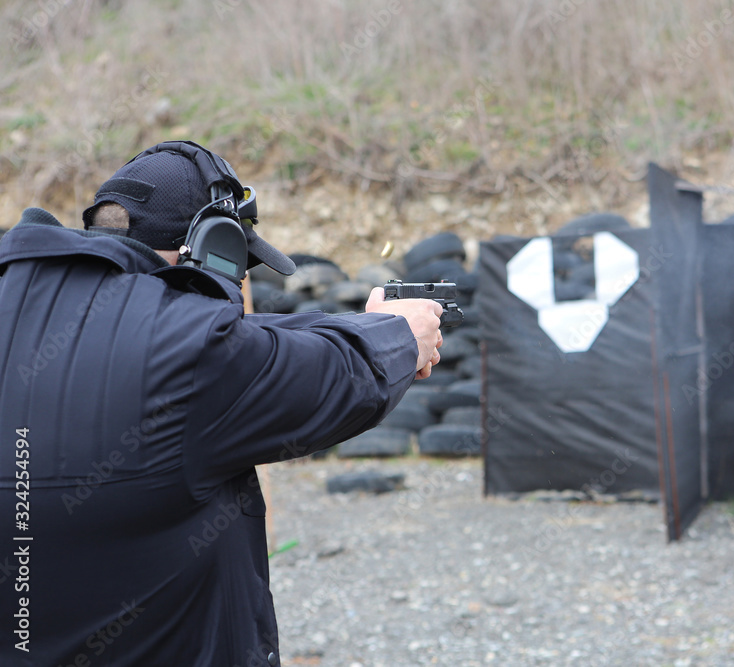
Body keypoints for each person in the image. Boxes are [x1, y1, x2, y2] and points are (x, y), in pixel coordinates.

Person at [0, 141, 443, 666]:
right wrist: (402, 335)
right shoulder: (191, 355)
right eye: (240, 262)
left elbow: (240, 340)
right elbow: (341, 375)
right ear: (215, 246)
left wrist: (355, 323)